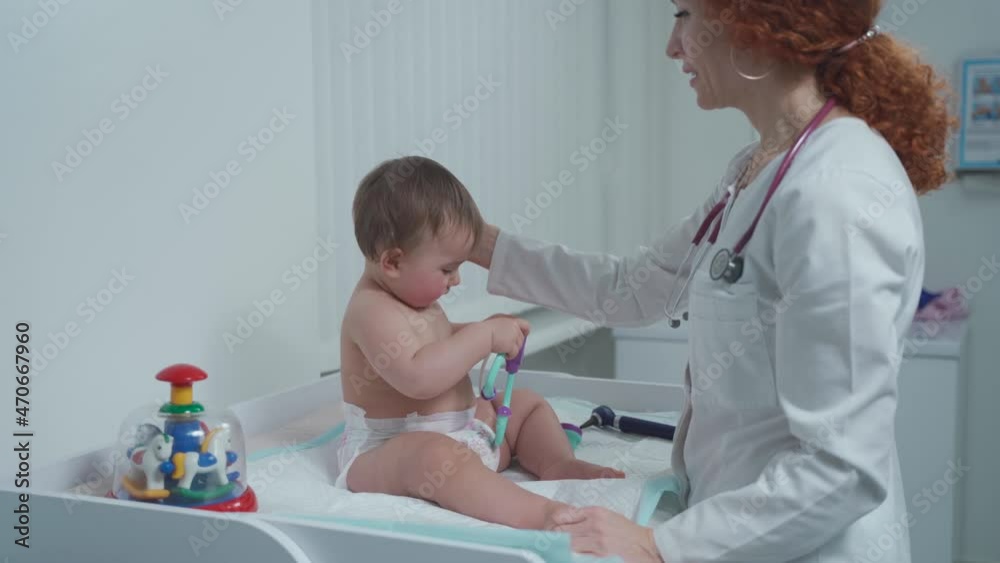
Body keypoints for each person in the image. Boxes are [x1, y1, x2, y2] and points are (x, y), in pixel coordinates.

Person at [469, 0, 955, 561]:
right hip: (737, 524)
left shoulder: (835, 193)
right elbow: (632, 287)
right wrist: (479, 244)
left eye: (683, 15)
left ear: (754, 25)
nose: (672, 46)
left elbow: (842, 468)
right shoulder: (759, 167)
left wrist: (659, 546)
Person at [335, 156, 624, 530]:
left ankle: (556, 464)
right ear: (392, 261)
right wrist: (483, 336)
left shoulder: (415, 296)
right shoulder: (370, 309)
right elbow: (417, 376)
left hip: (466, 432)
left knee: (523, 404)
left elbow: (438, 341)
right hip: (391, 449)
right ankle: (536, 514)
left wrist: (484, 329)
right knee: (433, 457)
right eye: (447, 269)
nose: (455, 281)